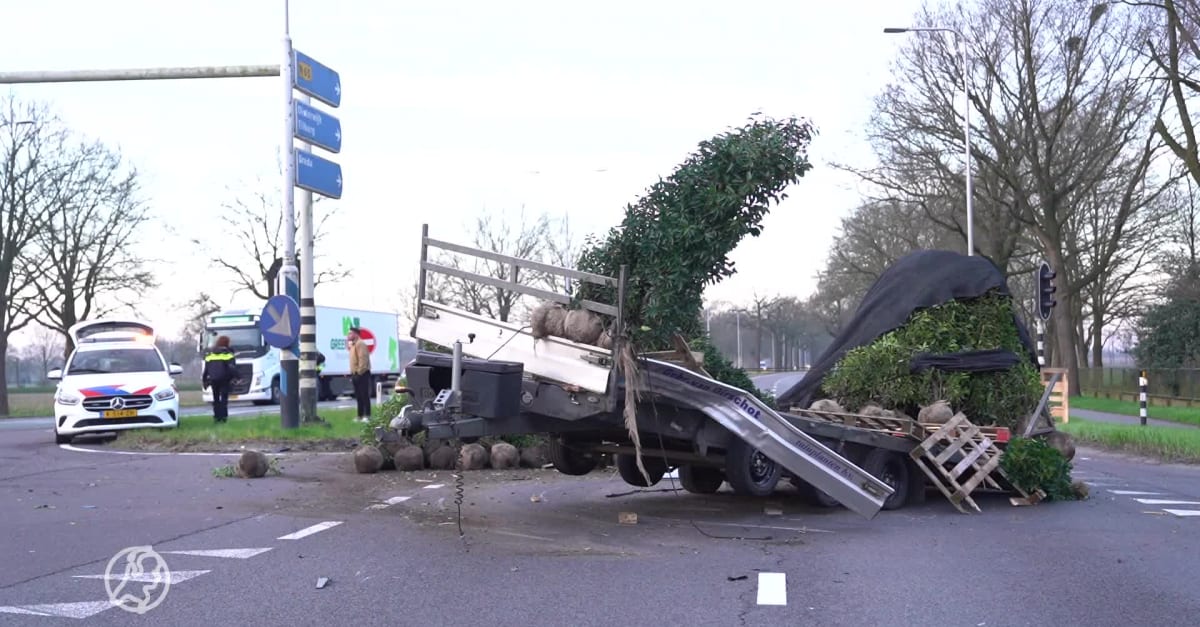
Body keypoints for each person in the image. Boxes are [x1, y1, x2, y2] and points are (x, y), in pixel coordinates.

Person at [202, 335, 236, 423]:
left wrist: (204, 381)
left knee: (216, 399)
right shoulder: (228, 355)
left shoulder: (210, 355)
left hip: (213, 380)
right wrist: (238, 377)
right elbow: (232, 368)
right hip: (224, 380)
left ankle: (216, 417)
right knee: (224, 399)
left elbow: (206, 370)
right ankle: (223, 418)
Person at [347, 327, 372, 421]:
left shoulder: (360, 344)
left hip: (362, 374)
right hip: (355, 374)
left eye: (350, 333)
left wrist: (359, 372)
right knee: (358, 396)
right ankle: (360, 415)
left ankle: (367, 415)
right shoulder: (353, 345)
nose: (348, 335)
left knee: (364, 395)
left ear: (356, 334)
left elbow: (363, 359)